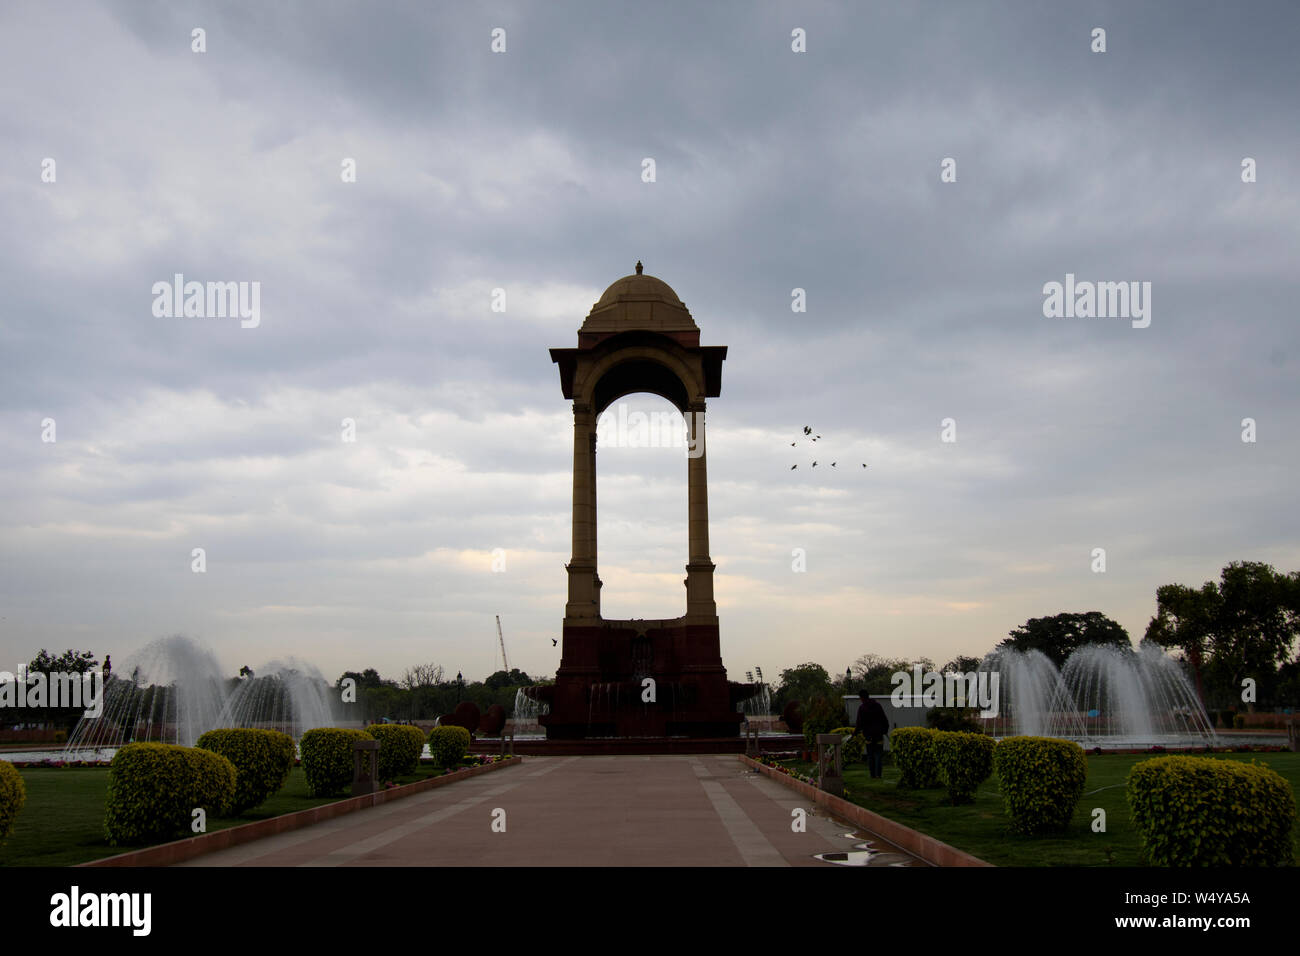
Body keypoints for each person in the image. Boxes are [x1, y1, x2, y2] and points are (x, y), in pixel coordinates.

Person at [854, 691, 890, 778]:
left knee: (870, 756)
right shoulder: (877, 706)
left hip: (868, 735)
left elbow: (859, 723)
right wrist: (885, 730)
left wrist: (855, 733)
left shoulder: (862, 708)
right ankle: (878, 774)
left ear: (861, 698)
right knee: (878, 755)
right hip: (878, 734)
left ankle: (872, 775)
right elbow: (884, 719)